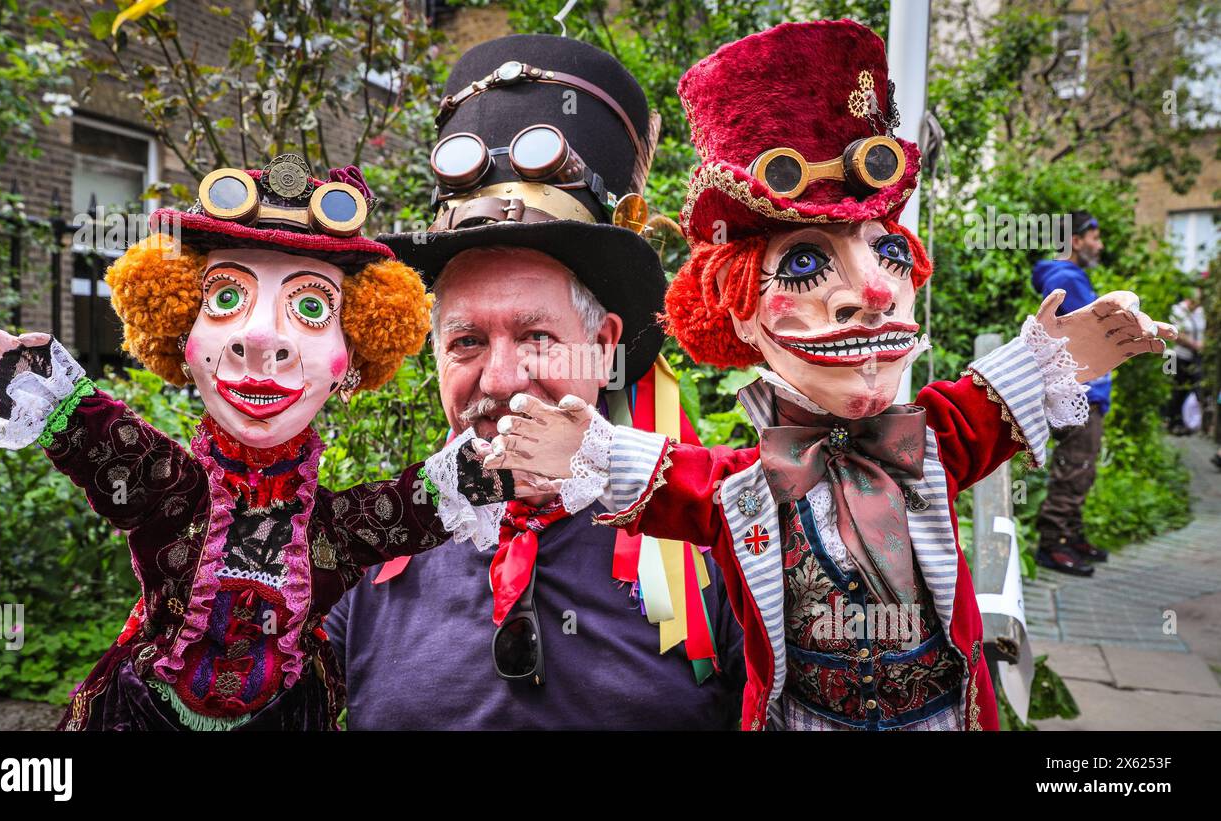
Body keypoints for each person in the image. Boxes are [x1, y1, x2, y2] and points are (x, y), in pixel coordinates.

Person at [482, 20, 1176, 731]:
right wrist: (585, 449)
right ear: (741, 311)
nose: (871, 291)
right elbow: (672, 477)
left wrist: (1075, 346)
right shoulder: (745, 486)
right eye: (808, 262)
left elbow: (999, 396)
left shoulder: (936, 441)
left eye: (890, 256)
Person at [0, 155, 503, 730]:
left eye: (309, 307)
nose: (262, 339)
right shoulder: (167, 491)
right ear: (181, 334)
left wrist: (520, 455)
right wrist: (45, 394)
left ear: (349, 357)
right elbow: (105, 442)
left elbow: (419, 503)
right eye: (225, 297)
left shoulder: (337, 533)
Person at [323, 34, 745, 730]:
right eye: (465, 341)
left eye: (536, 337)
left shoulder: (713, 556)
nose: (500, 376)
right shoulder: (365, 551)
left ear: (605, 345)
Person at [1031, 210, 1111, 575]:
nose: (1099, 245)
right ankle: (1053, 544)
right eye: (1094, 237)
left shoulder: (1074, 277)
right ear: (1075, 241)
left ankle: (1071, 535)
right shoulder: (1066, 278)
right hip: (1082, 390)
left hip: (1088, 389)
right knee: (1075, 467)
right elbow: (1080, 335)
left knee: (1083, 467)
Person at [1168, 282, 1206, 433]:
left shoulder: (1200, 311)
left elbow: (1204, 330)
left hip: (1195, 358)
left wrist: (1202, 345)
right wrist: (1195, 345)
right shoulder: (1177, 310)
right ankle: (1173, 420)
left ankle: (1188, 421)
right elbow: (1174, 334)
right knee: (1177, 387)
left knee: (1194, 388)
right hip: (1176, 356)